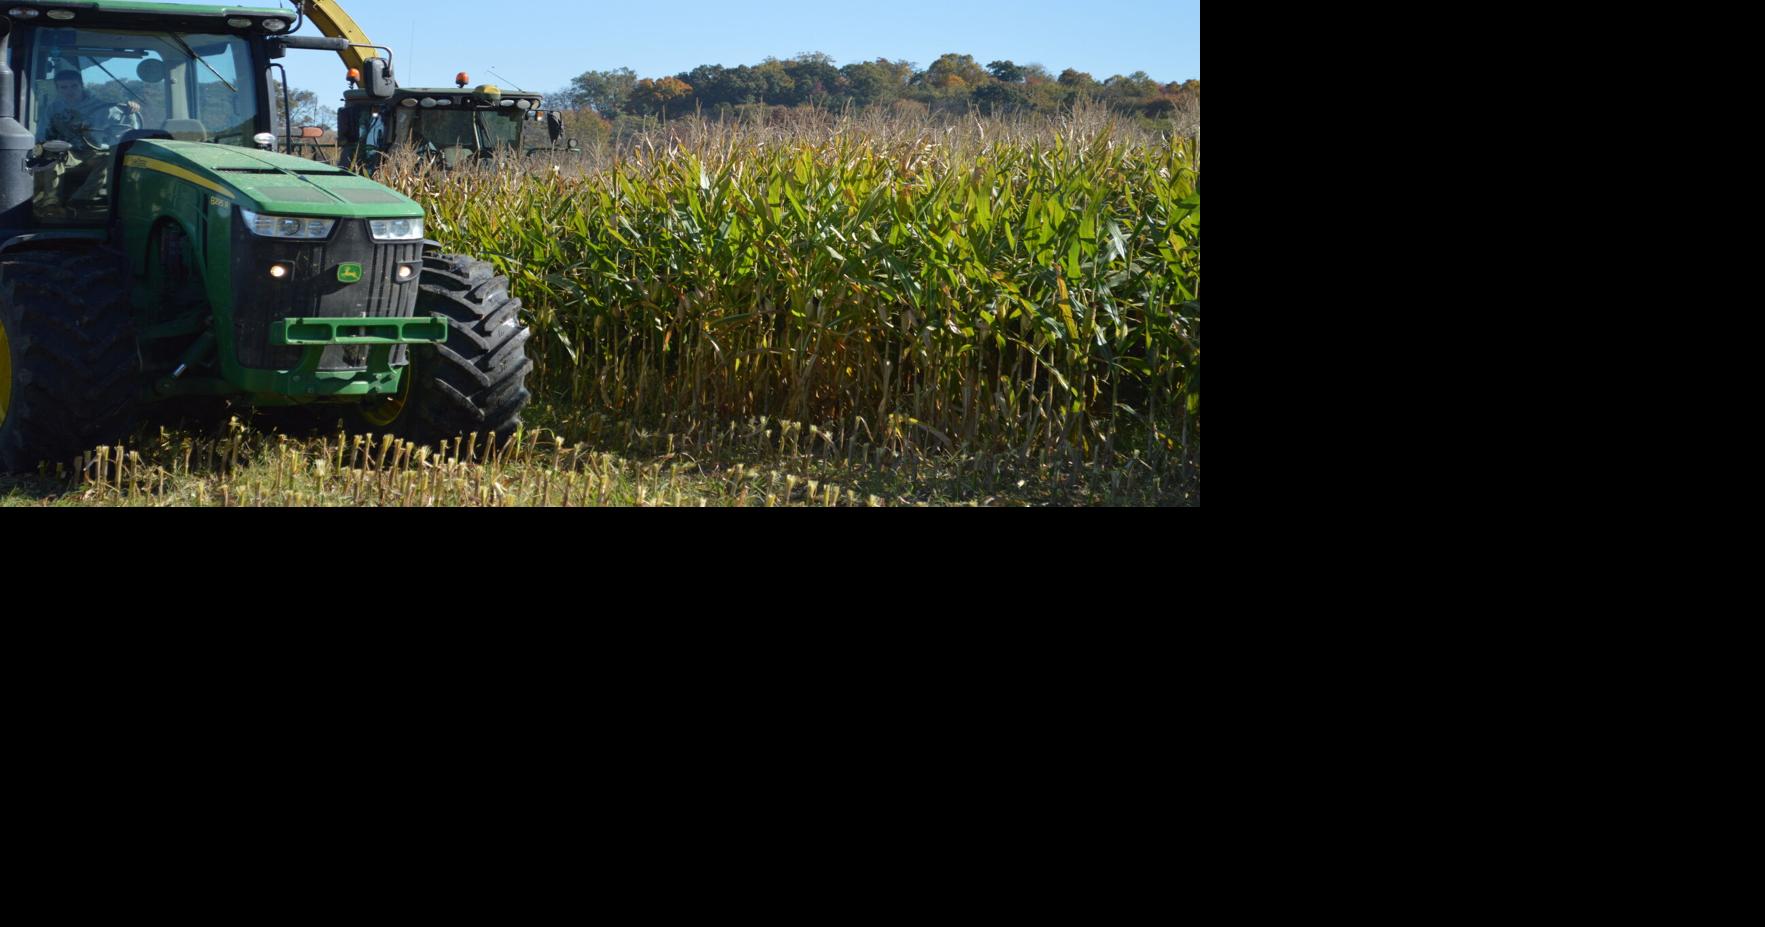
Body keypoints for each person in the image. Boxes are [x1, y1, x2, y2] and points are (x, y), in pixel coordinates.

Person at [32, 69, 142, 217]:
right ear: (58, 89)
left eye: (73, 86)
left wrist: (131, 110)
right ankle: (51, 203)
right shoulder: (53, 108)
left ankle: (78, 202)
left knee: (110, 160)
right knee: (49, 154)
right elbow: (42, 133)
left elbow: (124, 127)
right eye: (63, 87)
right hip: (67, 151)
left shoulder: (102, 107)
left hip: (93, 151)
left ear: (81, 85)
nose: (69, 91)